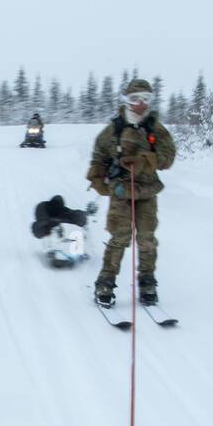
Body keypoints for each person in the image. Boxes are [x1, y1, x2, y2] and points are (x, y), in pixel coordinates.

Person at [86, 78, 176, 305]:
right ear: (126, 101)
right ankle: (105, 283)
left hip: (147, 191)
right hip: (121, 191)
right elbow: (99, 155)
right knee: (119, 238)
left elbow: (168, 157)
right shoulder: (113, 130)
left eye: (146, 99)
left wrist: (146, 161)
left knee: (147, 239)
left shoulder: (156, 129)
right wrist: (97, 178)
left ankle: (147, 283)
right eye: (135, 99)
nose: (141, 104)